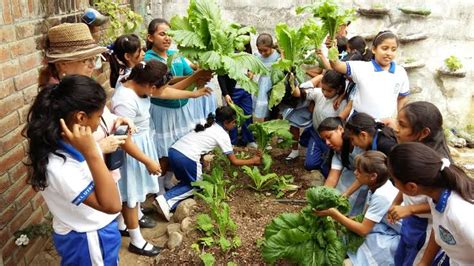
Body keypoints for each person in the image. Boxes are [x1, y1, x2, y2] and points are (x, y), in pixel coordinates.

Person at [111, 60, 211, 255]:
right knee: (130, 196)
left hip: (141, 144)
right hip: (132, 151)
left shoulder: (140, 82)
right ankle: (136, 241)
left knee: (135, 193)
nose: (159, 91)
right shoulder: (124, 101)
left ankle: (123, 224)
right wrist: (147, 160)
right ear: (150, 85)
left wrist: (193, 92)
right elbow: (124, 140)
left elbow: (164, 91)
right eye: (158, 87)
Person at [24, 75, 122, 265]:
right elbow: (112, 205)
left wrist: (92, 149)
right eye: (99, 116)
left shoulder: (74, 144)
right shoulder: (60, 166)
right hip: (88, 238)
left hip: (93, 229)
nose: (100, 122)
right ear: (81, 117)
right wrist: (93, 152)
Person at [154, 106, 262, 221]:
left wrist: (201, 160)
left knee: (189, 181)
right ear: (226, 122)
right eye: (234, 122)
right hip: (187, 157)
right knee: (198, 185)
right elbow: (234, 161)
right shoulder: (223, 135)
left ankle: (169, 201)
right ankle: (165, 200)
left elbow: (197, 142)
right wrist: (253, 161)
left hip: (174, 151)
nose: (235, 125)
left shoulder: (207, 123)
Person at [145, 18, 214, 180]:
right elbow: (164, 89)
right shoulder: (149, 59)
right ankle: (160, 188)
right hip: (163, 111)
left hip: (183, 109)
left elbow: (183, 77)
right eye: (162, 34)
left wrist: (202, 75)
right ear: (150, 38)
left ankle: (170, 181)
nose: (167, 38)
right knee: (164, 151)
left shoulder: (175, 55)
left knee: (182, 145)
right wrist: (195, 77)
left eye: (170, 34)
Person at [388, 101, 453, 266]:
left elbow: (443, 206)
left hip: (428, 227)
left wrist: (410, 209)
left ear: (423, 133)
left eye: (402, 125)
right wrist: (397, 202)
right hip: (411, 219)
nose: (395, 128)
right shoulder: (413, 152)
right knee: (401, 257)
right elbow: (404, 182)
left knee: (415, 261)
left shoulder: (437, 165)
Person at [387, 143, 474, 266]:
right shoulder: (435, 194)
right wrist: (424, 262)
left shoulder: (460, 214)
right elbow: (440, 227)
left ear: (412, 187)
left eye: (394, 181)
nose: (394, 185)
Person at [315, 151, 401, 266]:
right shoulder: (377, 187)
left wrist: (334, 214)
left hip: (399, 237)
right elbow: (364, 217)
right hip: (386, 226)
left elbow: (363, 230)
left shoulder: (382, 196)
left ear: (373, 176)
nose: (355, 173)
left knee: (360, 257)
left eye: (359, 171)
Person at [329, 30, 409, 122]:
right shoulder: (362, 67)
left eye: (393, 49)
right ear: (374, 49)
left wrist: (399, 120)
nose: (389, 53)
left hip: (384, 126)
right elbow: (337, 65)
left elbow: (402, 97)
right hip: (358, 125)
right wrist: (332, 49)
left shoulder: (400, 72)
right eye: (385, 48)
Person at [293, 70, 347, 176]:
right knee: (310, 165)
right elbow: (298, 92)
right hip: (317, 135)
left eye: (329, 91)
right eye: (323, 89)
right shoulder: (318, 94)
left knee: (327, 169)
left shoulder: (342, 103)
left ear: (339, 89)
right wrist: (291, 78)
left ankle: (325, 158)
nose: (325, 93)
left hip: (332, 139)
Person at [317, 117, 368, 216]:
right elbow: (332, 177)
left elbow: (364, 175)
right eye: (324, 140)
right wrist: (321, 199)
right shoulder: (337, 152)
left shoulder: (361, 146)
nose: (327, 143)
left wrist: (345, 195)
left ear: (340, 129)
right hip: (350, 178)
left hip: (365, 179)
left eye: (329, 137)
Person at [254, 33, 280, 122]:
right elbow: (254, 68)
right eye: (260, 50)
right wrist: (251, 73)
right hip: (263, 85)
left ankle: (276, 130)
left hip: (275, 84)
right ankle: (267, 129)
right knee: (266, 110)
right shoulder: (257, 56)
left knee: (275, 109)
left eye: (265, 50)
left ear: (271, 47)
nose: (262, 53)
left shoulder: (277, 55)